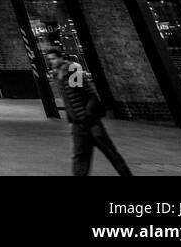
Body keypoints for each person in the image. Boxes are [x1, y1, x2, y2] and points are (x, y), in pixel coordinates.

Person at [45, 48, 132, 176]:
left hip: (91, 124)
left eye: (53, 58)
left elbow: (90, 95)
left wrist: (87, 115)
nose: (52, 62)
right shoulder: (58, 75)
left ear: (61, 57)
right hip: (78, 125)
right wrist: (71, 121)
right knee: (80, 158)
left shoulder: (72, 71)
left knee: (111, 153)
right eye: (50, 60)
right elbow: (68, 101)